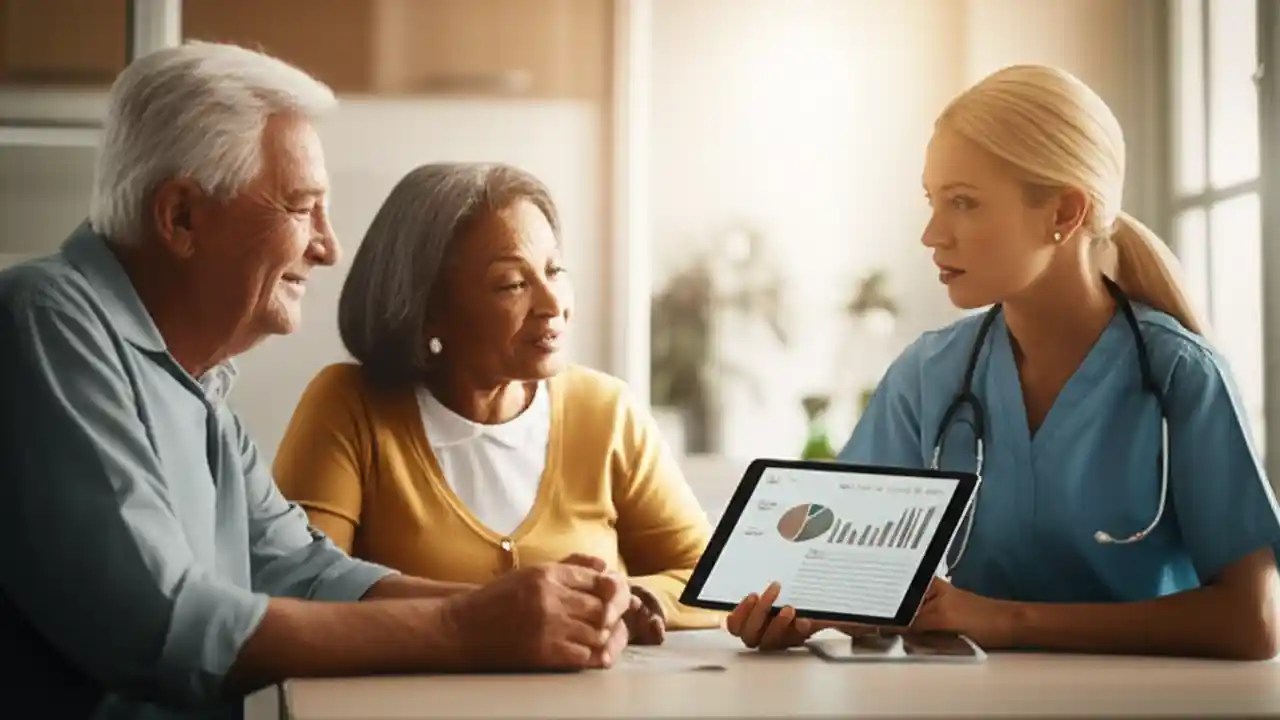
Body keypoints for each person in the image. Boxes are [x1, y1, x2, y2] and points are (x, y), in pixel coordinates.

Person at [0, 43, 635, 719]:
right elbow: (164, 621)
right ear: (182, 217)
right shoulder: (44, 321)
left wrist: (533, 608)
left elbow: (308, 572)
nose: (328, 246)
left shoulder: (199, 382)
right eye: (303, 208)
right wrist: (470, 629)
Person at [726, 65, 1280, 660]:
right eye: (932, 202)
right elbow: (854, 578)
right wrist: (803, 610)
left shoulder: (1180, 376)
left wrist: (1010, 621)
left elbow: (1253, 622)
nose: (932, 234)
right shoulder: (928, 375)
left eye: (963, 203)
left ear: (1064, 214)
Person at [272, 162, 719, 640]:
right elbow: (305, 594)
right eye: (513, 284)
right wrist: (494, 614)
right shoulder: (350, 407)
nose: (553, 304)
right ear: (427, 309)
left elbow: (707, 576)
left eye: (555, 270)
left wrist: (633, 599)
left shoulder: (606, 411)